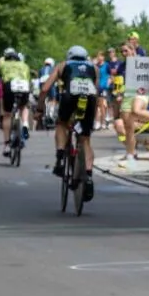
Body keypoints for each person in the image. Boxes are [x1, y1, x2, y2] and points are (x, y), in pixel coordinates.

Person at [41, 45, 101, 201]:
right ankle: (88, 175)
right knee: (85, 139)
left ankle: (60, 156)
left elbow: (45, 88)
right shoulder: (94, 68)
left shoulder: (63, 65)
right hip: (89, 99)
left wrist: (40, 108)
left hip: (69, 97)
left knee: (61, 124)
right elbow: (97, 91)